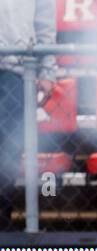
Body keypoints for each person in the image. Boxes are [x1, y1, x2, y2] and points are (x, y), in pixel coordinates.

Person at [0, 0, 56, 230]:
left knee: (7, 153)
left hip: (15, 68)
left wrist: (48, 70)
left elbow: (45, 20)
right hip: (17, 67)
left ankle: (1, 221)